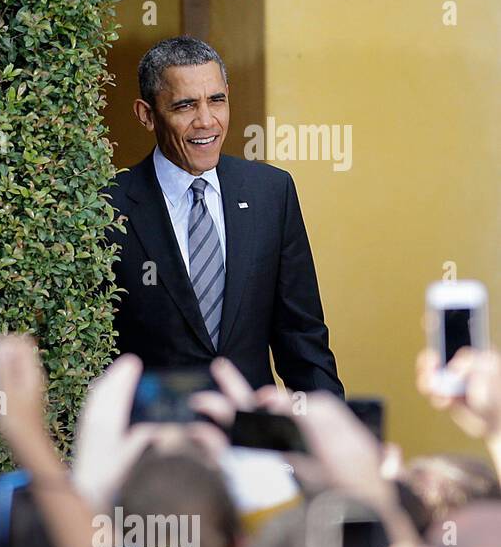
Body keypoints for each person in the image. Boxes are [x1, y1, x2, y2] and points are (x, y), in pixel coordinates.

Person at [105, 35, 343, 394]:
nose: (206, 121)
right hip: (158, 441)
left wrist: (330, 435)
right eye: (185, 106)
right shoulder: (108, 206)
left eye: (216, 100)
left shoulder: (270, 193)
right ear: (147, 115)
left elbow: (302, 339)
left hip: (252, 438)